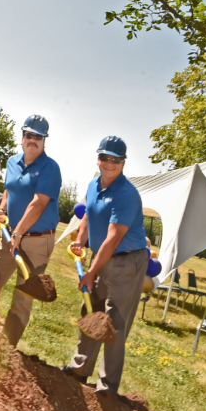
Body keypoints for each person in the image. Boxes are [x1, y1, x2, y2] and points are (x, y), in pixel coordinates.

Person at [61, 136, 149, 393]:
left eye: (115, 160)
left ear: (123, 163)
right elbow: (87, 216)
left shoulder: (127, 194)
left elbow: (113, 238)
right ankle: (79, 368)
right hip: (101, 257)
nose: (109, 163)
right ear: (98, 159)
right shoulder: (93, 185)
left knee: (114, 323)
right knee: (91, 311)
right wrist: (80, 241)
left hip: (126, 262)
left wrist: (91, 272)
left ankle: (106, 387)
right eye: (105, 158)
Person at [0, 114, 61, 345]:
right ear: (22, 137)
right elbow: (9, 190)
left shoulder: (50, 168)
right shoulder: (12, 162)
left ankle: (6, 347)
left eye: (38, 137)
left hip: (37, 241)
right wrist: (2, 209)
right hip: (10, 235)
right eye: (29, 135)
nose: (33, 140)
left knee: (24, 293)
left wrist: (18, 233)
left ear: (44, 140)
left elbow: (39, 203)